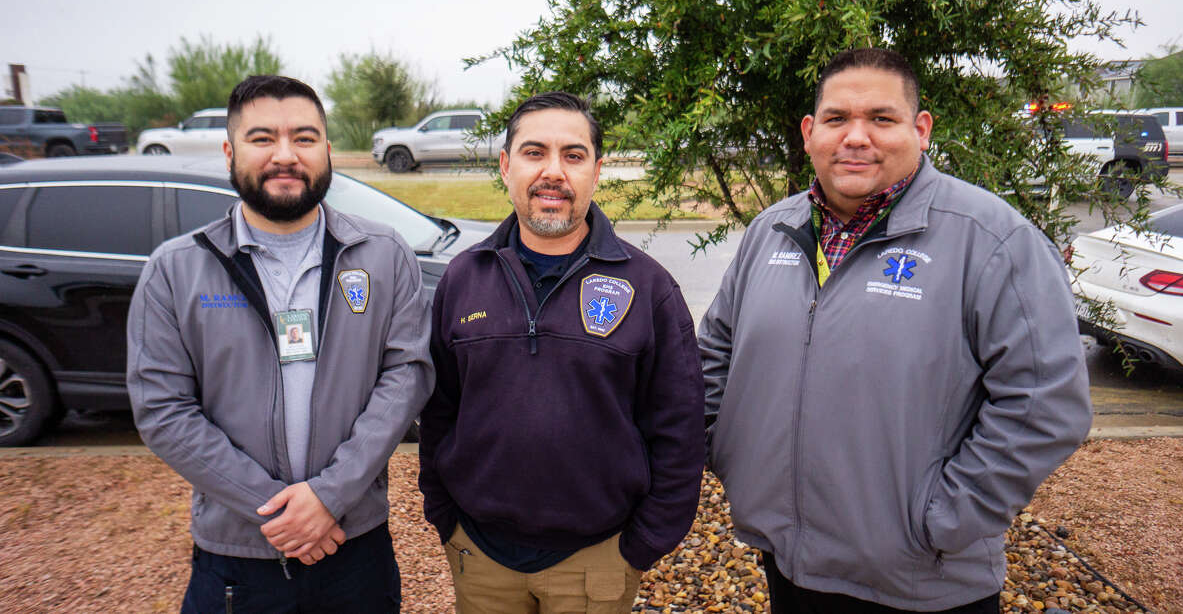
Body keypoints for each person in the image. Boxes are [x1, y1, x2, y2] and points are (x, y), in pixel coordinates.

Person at [698, 48, 1092, 613]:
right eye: (837, 119)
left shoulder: (992, 239)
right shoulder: (771, 232)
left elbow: (1045, 402)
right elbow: (715, 352)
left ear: (920, 129)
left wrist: (945, 519)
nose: (856, 137)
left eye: (881, 119)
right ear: (810, 132)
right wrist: (727, 453)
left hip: (922, 578)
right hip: (788, 560)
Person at [127, 75, 432, 613]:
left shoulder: (384, 255)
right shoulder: (176, 270)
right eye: (263, 138)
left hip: (354, 549)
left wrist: (330, 497)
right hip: (237, 560)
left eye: (305, 138)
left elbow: (406, 376)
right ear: (230, 151)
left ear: (328, 150)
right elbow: (163, 409)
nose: (285, 155)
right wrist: (281, 511)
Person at [419, 91, 705, 612]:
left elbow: (680, 428)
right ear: (506, 167)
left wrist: (641, 546)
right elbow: (439, 411)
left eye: (573, 156)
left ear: (597, 171)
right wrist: (445, 516)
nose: (553, 171)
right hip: (480, 560)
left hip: (596, 560)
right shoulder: (463, 279)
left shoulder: (648, 287)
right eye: (534, 153)